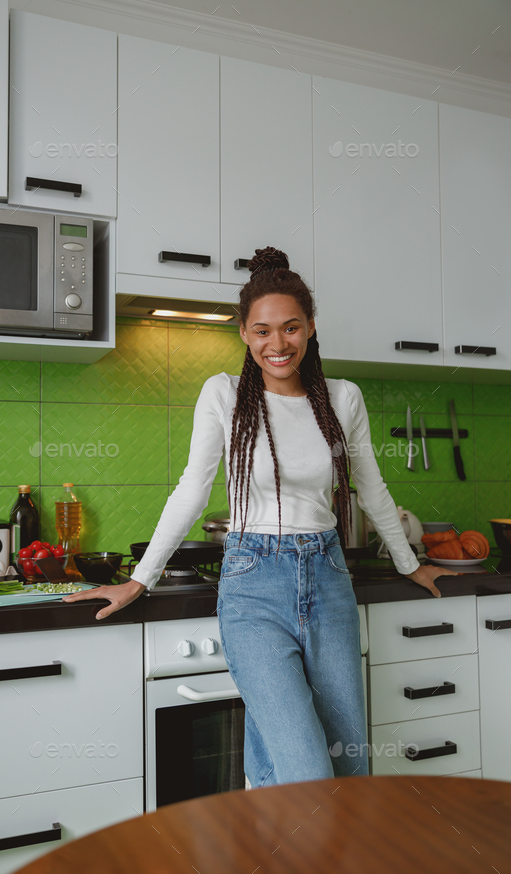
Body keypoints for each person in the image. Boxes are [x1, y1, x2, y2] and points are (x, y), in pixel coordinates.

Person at [65, 246, 455, 785]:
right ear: (244, 334)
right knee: (305, 768)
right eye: (263, 331)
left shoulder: (343, 399)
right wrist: (139, 578)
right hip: (253, 585)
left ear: (311, 329)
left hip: (328, 579)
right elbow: (191, 491)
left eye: (291, 328)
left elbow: (372, 488)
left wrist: (410, 563)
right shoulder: (224, 395)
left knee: (348, 764)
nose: (278, 344)